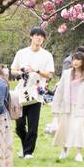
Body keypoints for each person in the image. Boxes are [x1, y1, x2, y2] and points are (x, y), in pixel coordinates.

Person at [10, 26, 54, 158]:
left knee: (33, 124)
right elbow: (13, 70)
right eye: (36, 35)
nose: (39, 38)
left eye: (41, 36)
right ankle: (25, 146)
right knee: (19, 124)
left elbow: (50, 75)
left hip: (37, 93)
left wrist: (37, 70)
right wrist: (21, 71)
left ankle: (28, 152)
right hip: (21, 91)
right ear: (31, 37)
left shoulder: (47, 55)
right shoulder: (21, 53)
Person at [52, 49, 84, 161]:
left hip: (81, 107)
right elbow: (60, 91)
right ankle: (64, 150)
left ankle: (78, 153)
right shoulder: (67, 74)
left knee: (78, 129)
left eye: (78, 59)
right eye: (74, 59)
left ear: (83, 62)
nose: (75, 62)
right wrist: (56, 110)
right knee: (65, 129)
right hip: (68, 106)